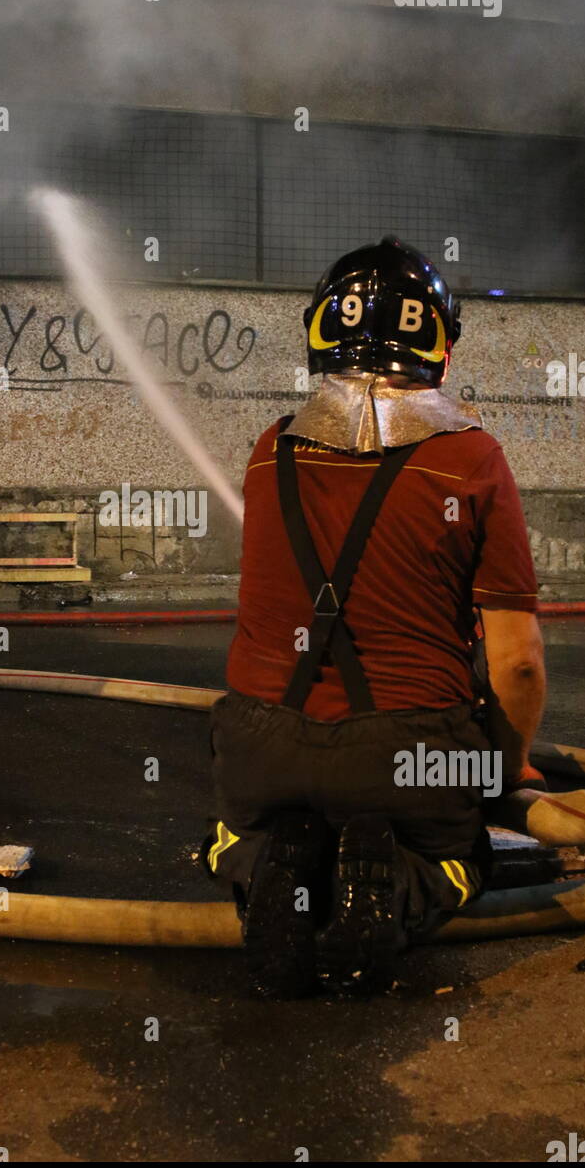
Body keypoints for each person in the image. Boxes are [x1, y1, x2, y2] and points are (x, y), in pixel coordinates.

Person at [203, 236, 546, 999]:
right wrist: (502, 768)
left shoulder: (271, 452)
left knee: (224, 843)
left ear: (323, 334)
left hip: (263, 747)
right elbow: (517, 663)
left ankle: (270, 861)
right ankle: (394, 879)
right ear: (439, 347)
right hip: (412, 759)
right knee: (466, 857)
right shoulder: (474, 459)